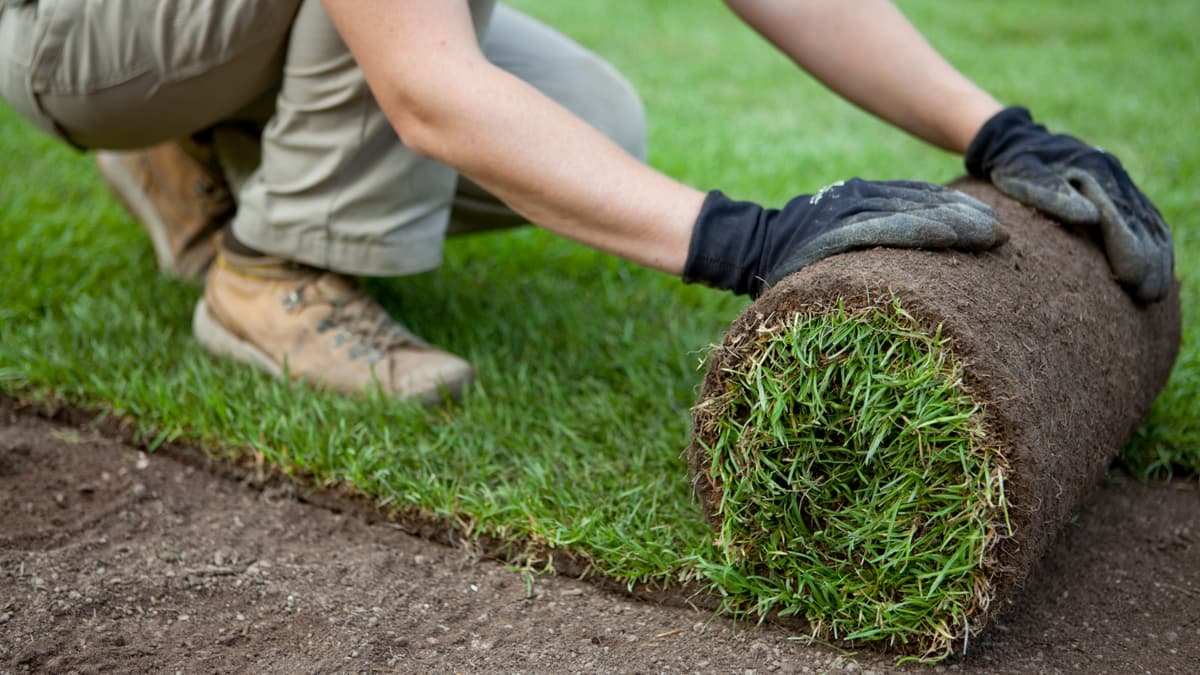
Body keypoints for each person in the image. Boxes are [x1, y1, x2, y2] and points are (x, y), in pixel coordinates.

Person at [0, 0, 1173, 404]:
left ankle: (192, 138)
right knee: (453, 82)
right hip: (78, 38)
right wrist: (749, 241)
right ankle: (272, 275)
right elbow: (427, 91)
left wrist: (997, 130)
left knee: (595, 127)